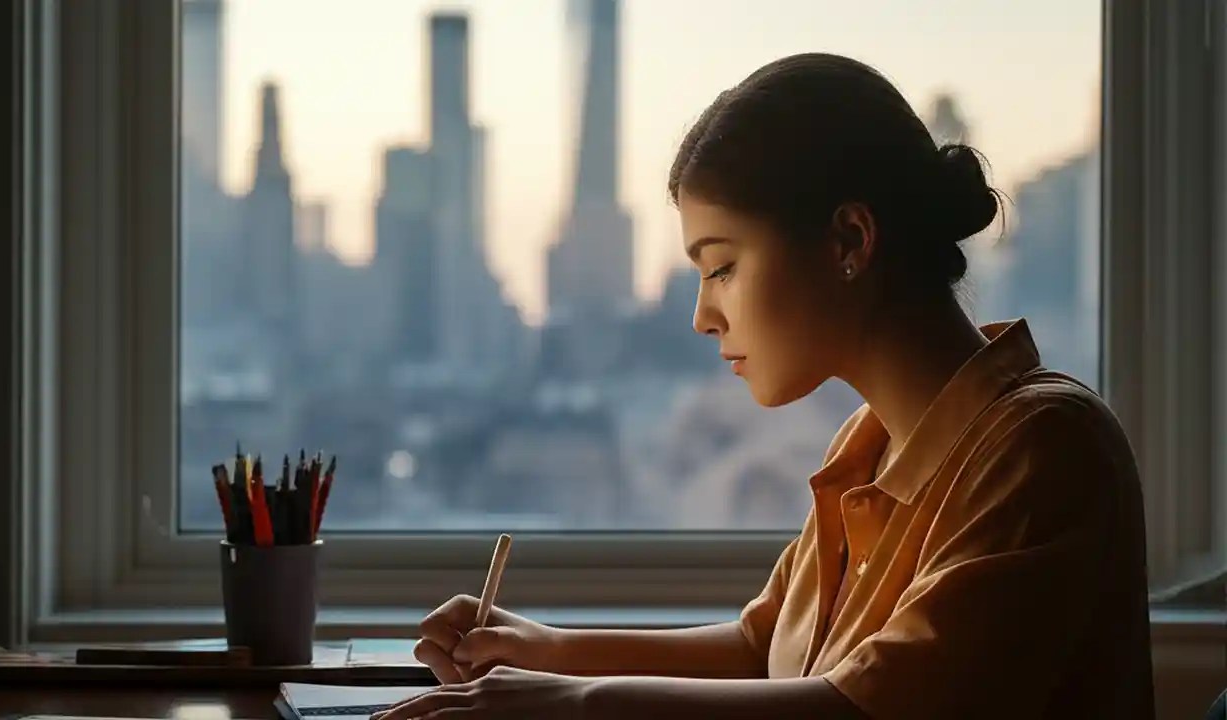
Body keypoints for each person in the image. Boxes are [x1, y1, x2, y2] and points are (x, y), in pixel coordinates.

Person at [375, 53, 1155, 720]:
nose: (702, 316)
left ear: (849, 240)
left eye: (722, 266)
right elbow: (766, 649)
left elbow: (862, 708)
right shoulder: (872, 444)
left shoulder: (1045, 448)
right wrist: (547, 649)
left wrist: (574, 703)